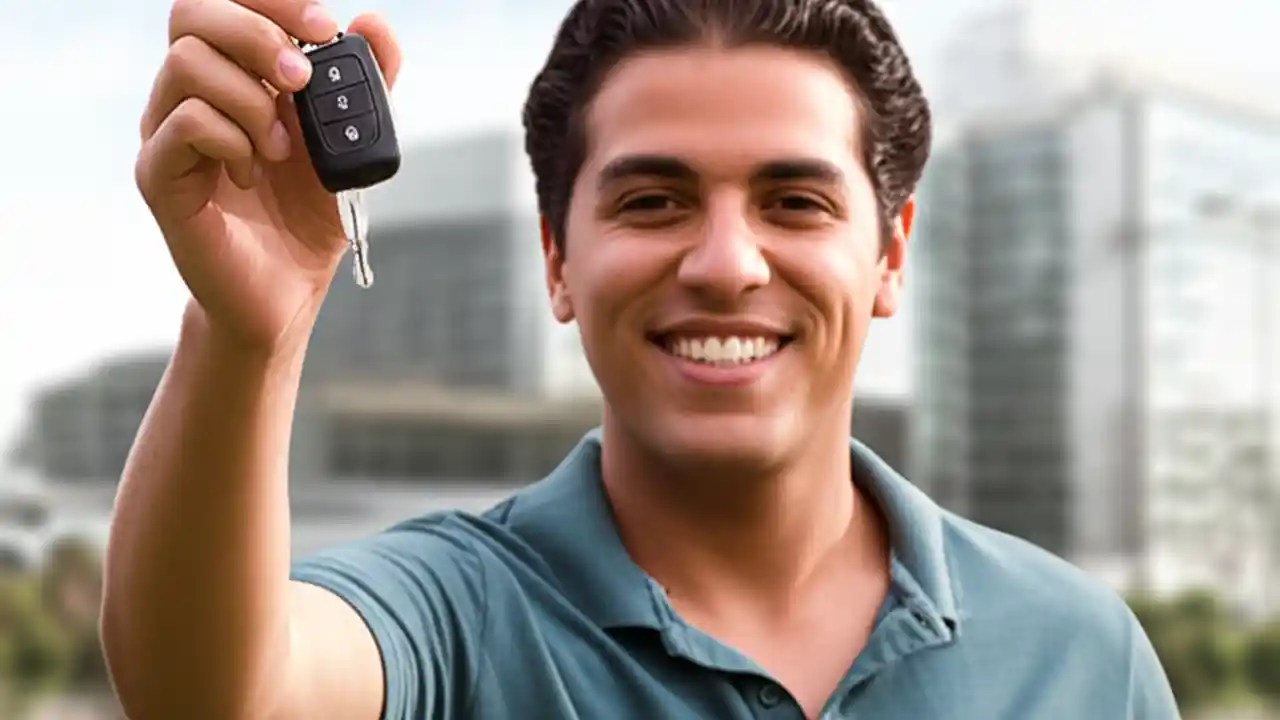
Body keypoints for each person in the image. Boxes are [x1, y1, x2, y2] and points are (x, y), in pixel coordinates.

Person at [101, 0, 1181, 718]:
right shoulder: (454, 614)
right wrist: (249, 331)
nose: (723, 263)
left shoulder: (1081, 655)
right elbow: (215, 692)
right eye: (653, 200)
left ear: (888, 255)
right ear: (558, 259)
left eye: (793, 200)